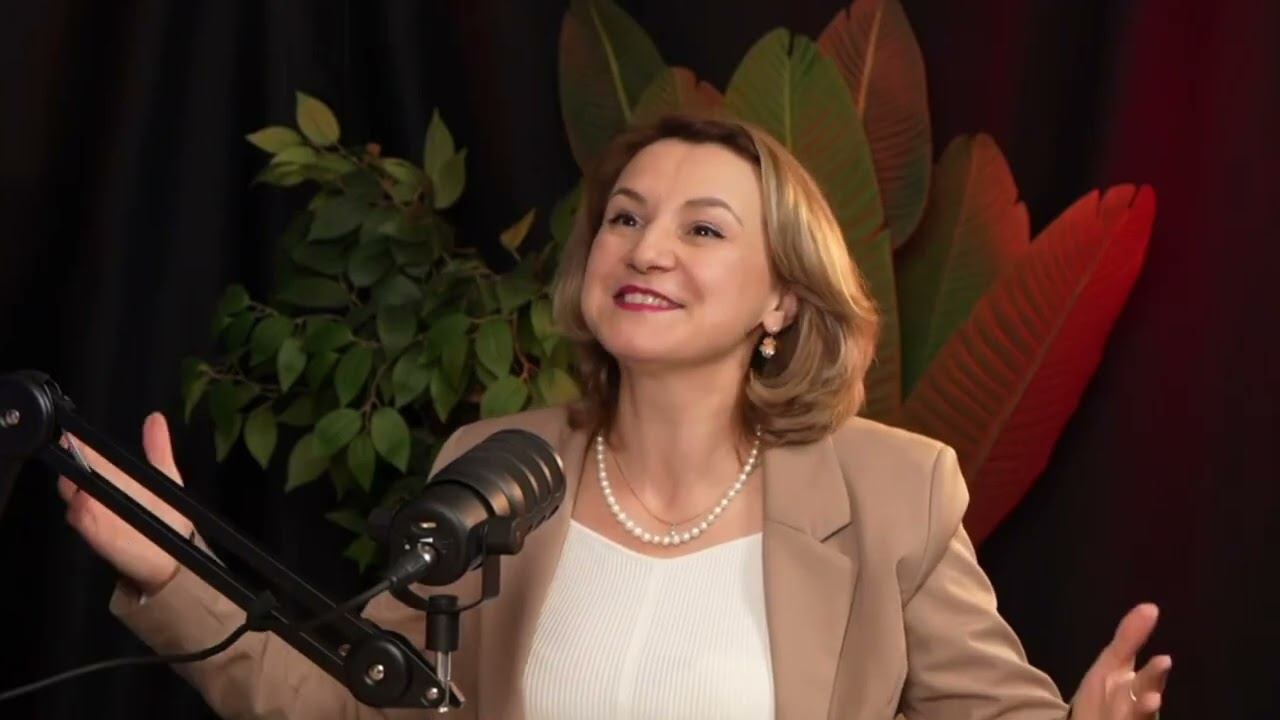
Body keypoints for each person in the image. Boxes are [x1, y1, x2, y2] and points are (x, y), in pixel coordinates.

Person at [59, 113, 1171, 719]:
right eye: (625, 218)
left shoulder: (892, 490)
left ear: (782, 299)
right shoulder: (495, 466)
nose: (645, 249)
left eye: (703, 229)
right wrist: (173, 569)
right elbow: (356, 709)